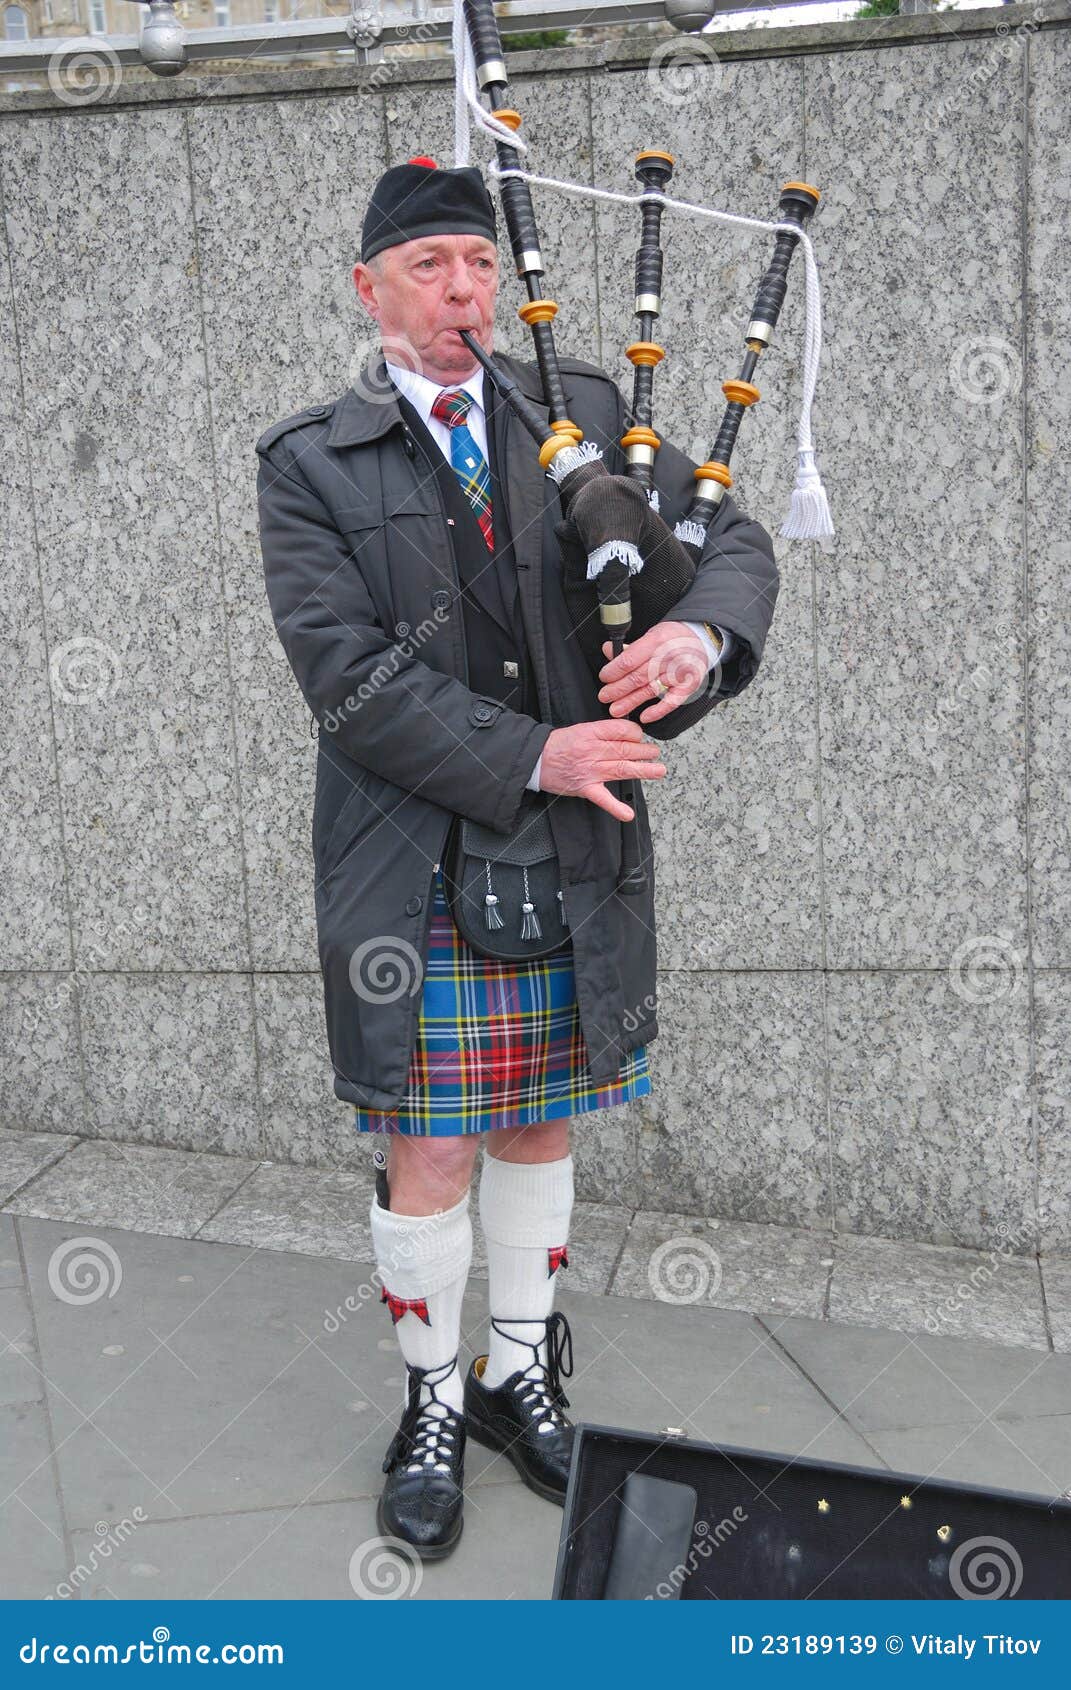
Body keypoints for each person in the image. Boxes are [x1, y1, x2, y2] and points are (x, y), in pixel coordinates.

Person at [255, 158, 779, 1561]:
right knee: (426, 1142)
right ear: (370, 290)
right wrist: (533, 750)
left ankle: (515, 1370)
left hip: (569, 850)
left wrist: (701, 637)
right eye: (428, 266)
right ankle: (431, 1396)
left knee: (541, 1122)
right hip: (410, 852)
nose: (464, 291)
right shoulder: (310, 460)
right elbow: (348, 678)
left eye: (477, 265)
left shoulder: (585, 411)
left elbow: (725, 534)